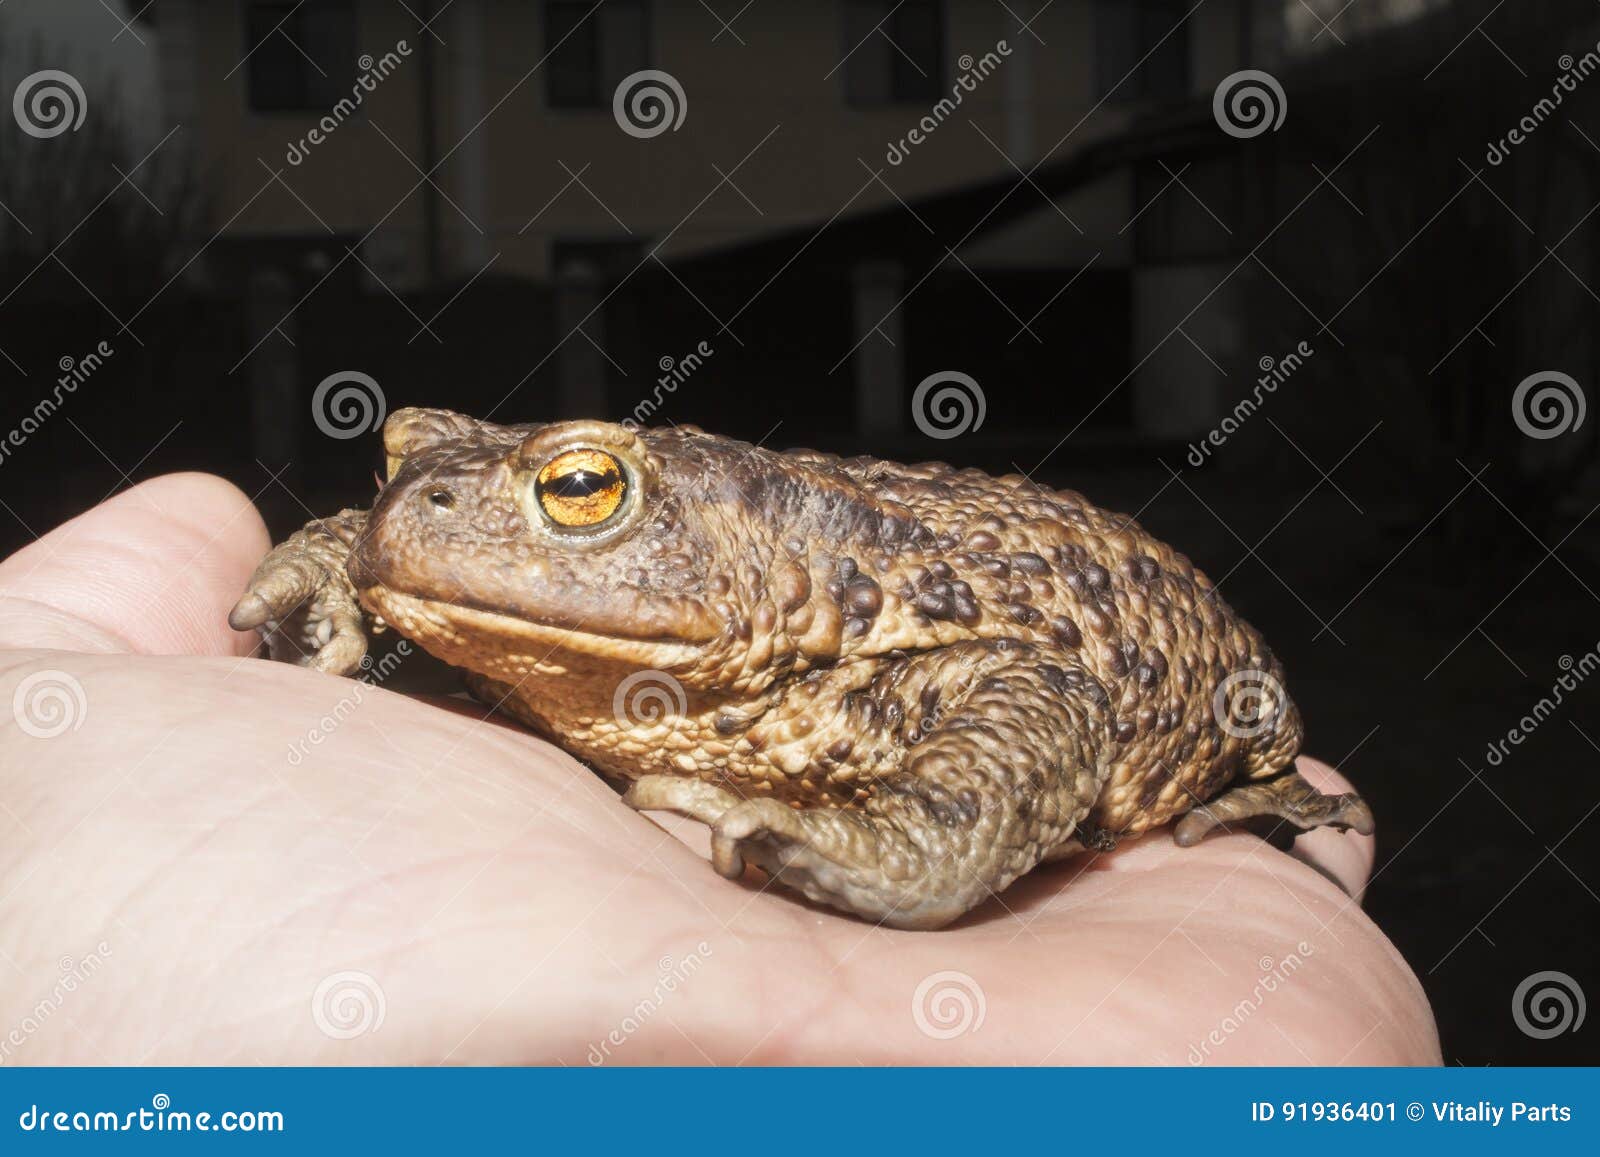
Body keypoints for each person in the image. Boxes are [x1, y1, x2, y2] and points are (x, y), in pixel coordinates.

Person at [0, 474, 1439, 1065]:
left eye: (574, 493)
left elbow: (1049, 694)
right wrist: (348, 558)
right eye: (402, 473)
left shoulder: (852, 637)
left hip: (1148, 653)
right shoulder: (559, 630)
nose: (420, 505)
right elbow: (422, 522)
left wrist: (913, 843)